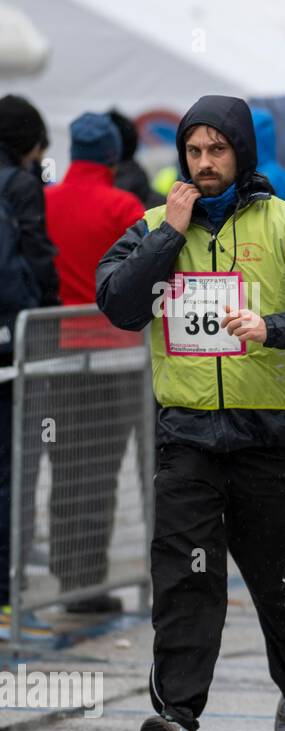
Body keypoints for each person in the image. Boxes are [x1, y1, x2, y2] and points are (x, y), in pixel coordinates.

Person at [96, 95, 285, 731]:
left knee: (267, 575)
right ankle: (177, 721)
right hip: (185, 438)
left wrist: (273, 327)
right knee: (185, 577)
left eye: (217, 149)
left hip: (266, 437)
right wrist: (168, 237)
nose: (205, 162)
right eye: (193, 151)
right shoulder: (154, 225)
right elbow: (118, 305)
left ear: (241, 152)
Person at [44, 113, 147, 614]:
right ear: (112, 155)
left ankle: (71, 577)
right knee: (104, 470)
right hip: (117, 356)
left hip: (57, 355)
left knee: (67, 467)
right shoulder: (124, 206)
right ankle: (91, 581)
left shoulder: (46, 200)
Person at [0, 94, 61, 634]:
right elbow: (37, 258)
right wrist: (45, 316)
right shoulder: (20, 185)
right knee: (13, 469)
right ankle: (5, 596)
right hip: (13, 344)